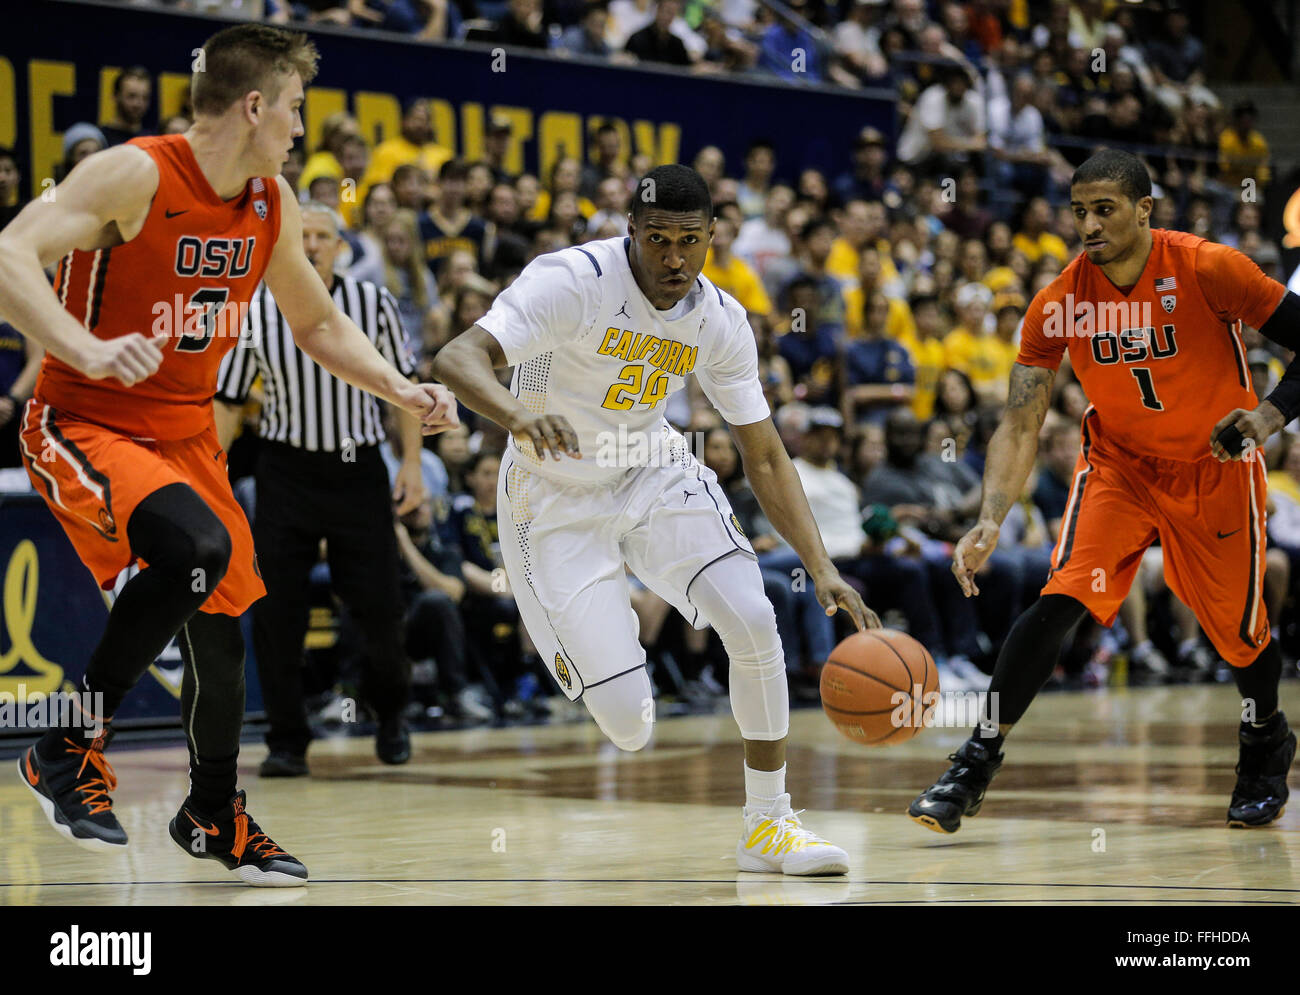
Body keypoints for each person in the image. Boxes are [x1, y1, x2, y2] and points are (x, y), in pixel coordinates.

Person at [0, 24, 456, 884]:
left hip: (185, 435)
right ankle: (66, 740)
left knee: (220, 629)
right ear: (253, 105)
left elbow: (316, 322)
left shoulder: (271, 202)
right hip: (85, 417)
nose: (298, 127)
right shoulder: (135, 172)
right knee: (197, 552)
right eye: (292, 108)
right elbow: (8, 254)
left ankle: (212, 812)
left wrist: (400, 388)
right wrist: (82, 345)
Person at [432, 164, 877, 875]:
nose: (673, 257)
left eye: (690, 240)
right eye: (658, 238)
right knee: (631, 726)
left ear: (712, 239)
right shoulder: (571, 279)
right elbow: (457, 356)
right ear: (630, 231)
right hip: (550, 497)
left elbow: (763, 454)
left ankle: (769, 823)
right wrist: (517, 413)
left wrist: (820, 566)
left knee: (755, 618)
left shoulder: (720, 319)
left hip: (649, 466)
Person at [909, 149, 1299, 835]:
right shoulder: (1059, 303)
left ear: (1145, 210)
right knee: (1061, 597)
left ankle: (1265, 735)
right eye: (1079, 211)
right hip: (1120, 467)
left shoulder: (1208, 266)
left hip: (1216, 464)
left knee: (1239, 637)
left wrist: (1267, 414)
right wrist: (990, 518)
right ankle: (976, 758)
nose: (1088, 224)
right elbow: (1021, 419)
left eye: (1105, 209)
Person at [214, 202, 428, 774]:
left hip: (359, 471)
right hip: (286, 471)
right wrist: (208, 473)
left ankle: (391, 716)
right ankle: (287, 740)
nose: (310, 244)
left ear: (340, 247)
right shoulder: (256, 308)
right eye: (300, 235)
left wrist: (411, 463)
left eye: (322, 236)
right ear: (285, 243)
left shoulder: (372, 303)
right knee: (276, 612)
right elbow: (230, 400)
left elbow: (406, 386)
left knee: (380, 609)